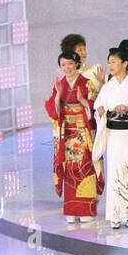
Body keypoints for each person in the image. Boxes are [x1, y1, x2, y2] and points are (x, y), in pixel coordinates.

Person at [46, 50, 102, 224]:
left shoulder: (86, 83)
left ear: (77, 63)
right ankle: (71, 209)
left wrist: (84, 102)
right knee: (69, 170)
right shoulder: (59, 84)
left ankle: (86, 209)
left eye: (70, 64)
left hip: (83, 133)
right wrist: (57, 97)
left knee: (85, 167)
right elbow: (53, 110)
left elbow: (96, 106)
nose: (67, 68)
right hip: (66, 134)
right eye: (63, 65)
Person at [91, 46, 128, 228]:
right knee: (115, 173)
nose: (111, 65)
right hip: (114, 135)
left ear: (125, 63)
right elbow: (98, 107)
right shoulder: (107, 87)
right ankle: (115, 215)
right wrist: (103, 111)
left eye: (114, 61)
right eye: (109, 62)